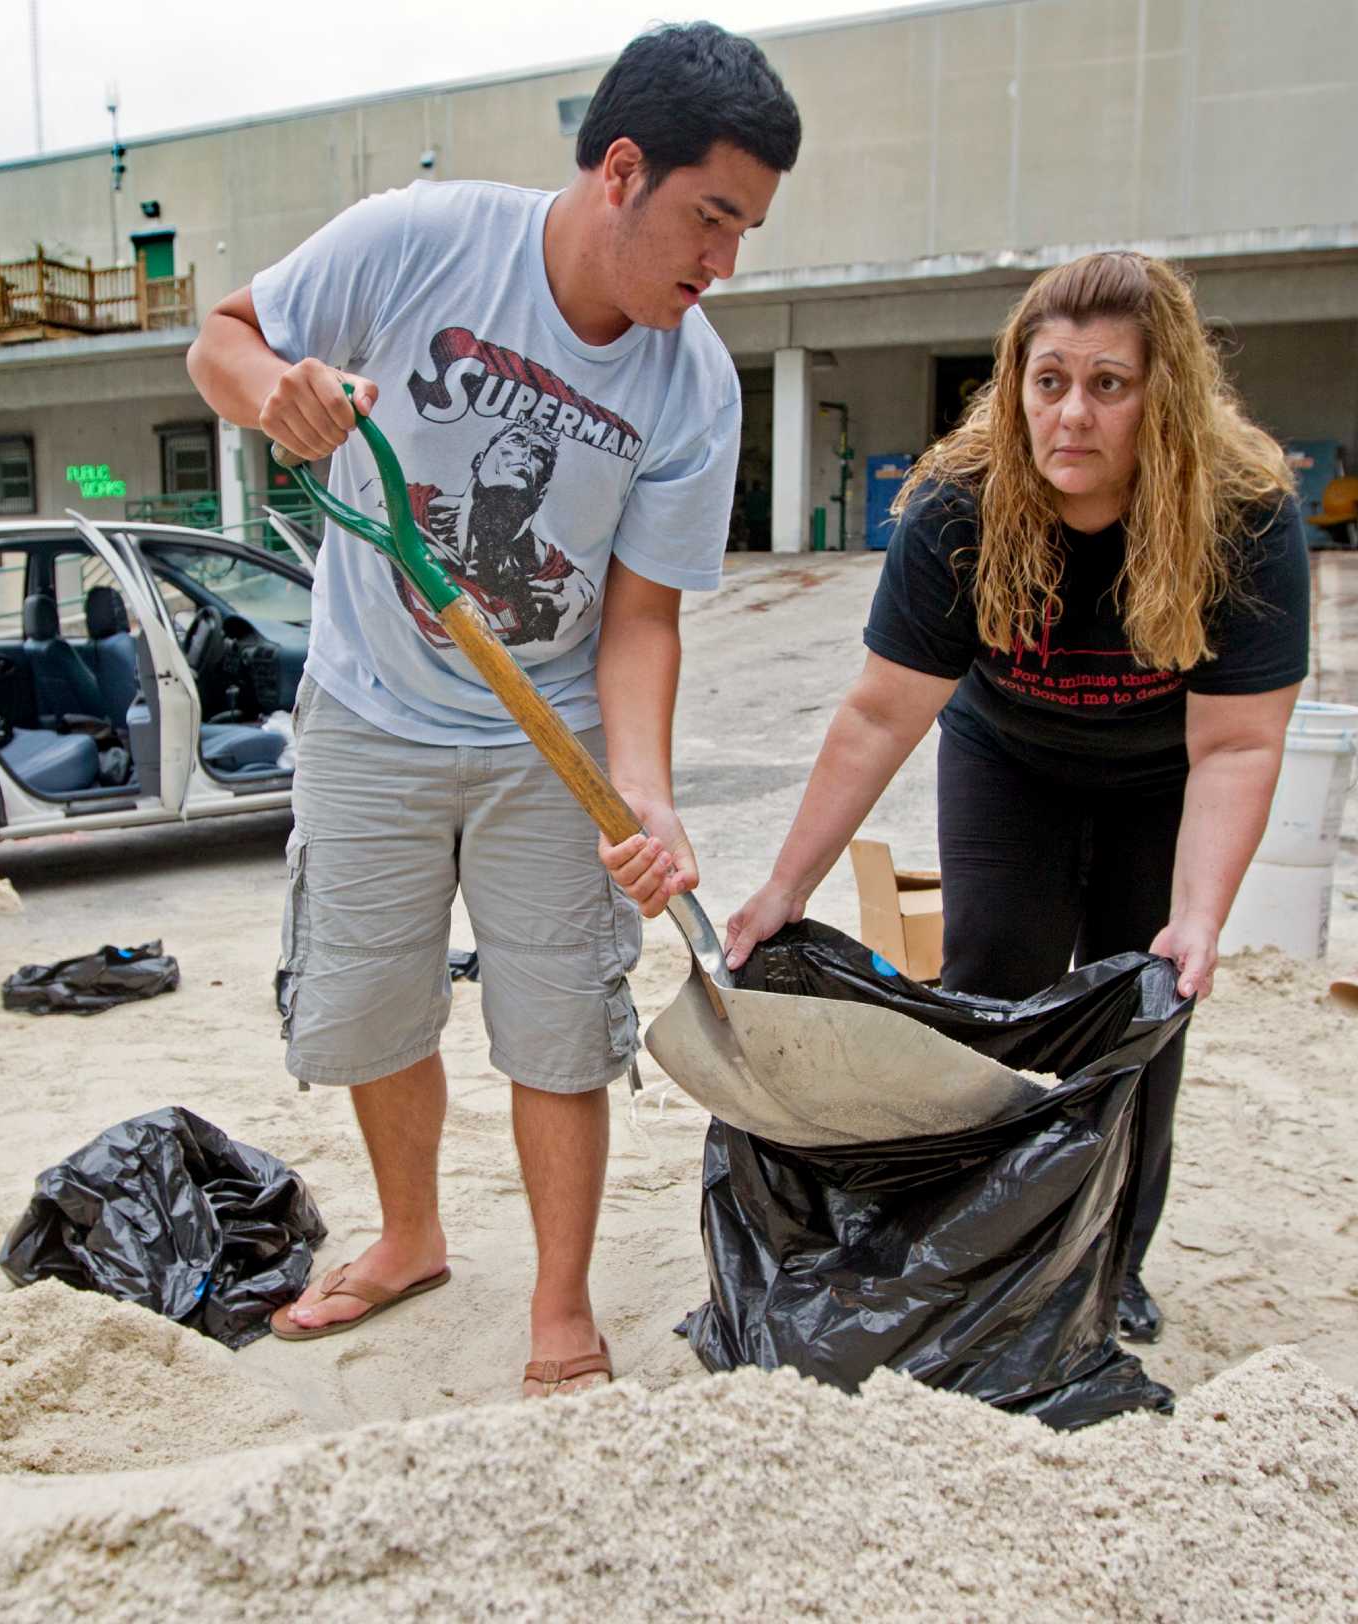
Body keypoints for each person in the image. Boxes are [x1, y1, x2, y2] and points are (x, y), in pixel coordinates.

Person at [187, 21, 800, 1397]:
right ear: (621, 171)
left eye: (745, 231)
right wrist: (275, 393)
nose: (723, 263)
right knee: (372, 1002)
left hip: (551, 735)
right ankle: (410, 1237)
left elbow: (640, 617)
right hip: (368, 710)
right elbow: (220, 338)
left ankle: (560, 1300)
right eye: (710, 218)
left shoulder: (694, 382)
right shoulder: (421, 242)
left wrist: (645, 793)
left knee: (558, 1023)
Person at [713, 252, 1309, 1343]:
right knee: (992, 983)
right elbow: (880, 716)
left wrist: (1200, 915)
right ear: (1016, 383)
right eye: (1048, 381)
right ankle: (985, 1248)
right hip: (1009, 761)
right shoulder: (960, 504)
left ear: (1164, 396)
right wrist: (784, 886)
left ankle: (1110, 1258)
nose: (1070, 414)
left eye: (1108, 384)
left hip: (1163, 776)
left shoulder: (1241, 516)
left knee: (1142, 1001)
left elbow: (1237, 743)